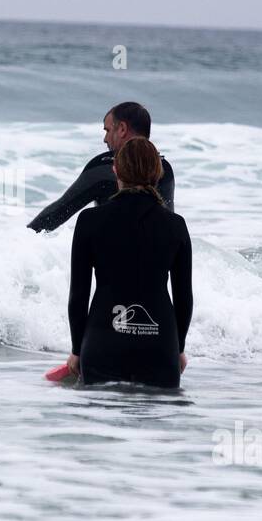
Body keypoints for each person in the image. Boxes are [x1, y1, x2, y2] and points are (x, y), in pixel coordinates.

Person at [66, 138, 192, 388]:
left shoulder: (89, 221)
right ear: (158, 172)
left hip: (102, 345)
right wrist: (179, 347)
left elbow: (78, 295)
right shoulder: (175, 225)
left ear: (116, 170)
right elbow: (183, 297)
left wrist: (77, 348)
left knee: (101, 423)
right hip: (159, 347)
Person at [27, 101, 174, 232]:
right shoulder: (165, 169)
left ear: (122, 129)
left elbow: (57, 213)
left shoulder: (104, 168)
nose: (105, 139)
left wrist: (22, 240)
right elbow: (170, 231)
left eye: (108, 130)